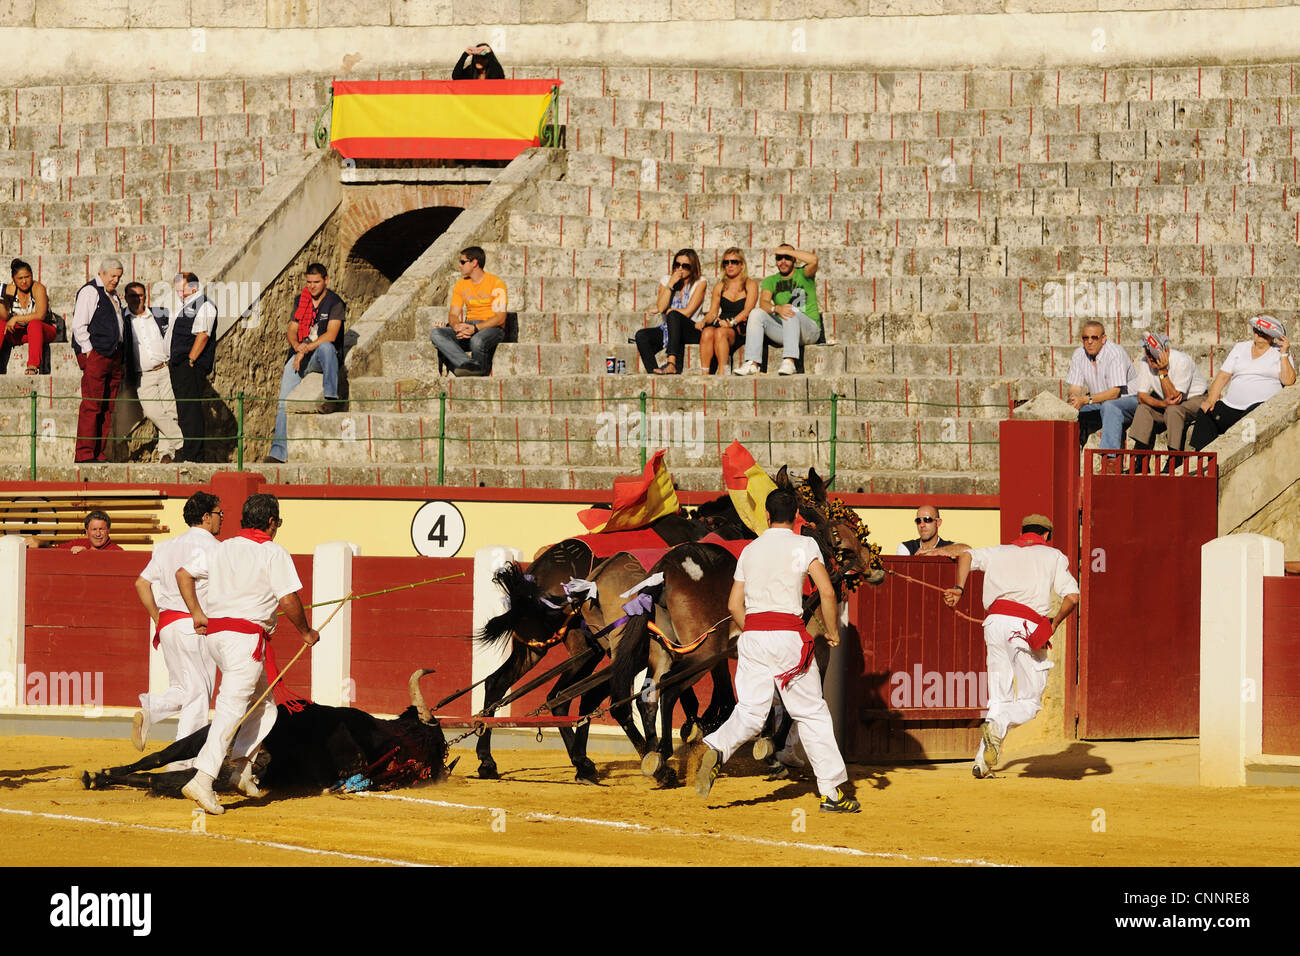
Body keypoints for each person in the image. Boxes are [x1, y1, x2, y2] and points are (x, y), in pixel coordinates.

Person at [694, 487, 860, 813]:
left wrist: (754, 630)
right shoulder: (804, 544)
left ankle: (716, 746)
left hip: (753, 636)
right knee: (811, 713)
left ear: (767, 517)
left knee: (751, 711)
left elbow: (733, 604)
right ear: (795, 516)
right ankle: (832, 792)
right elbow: (826, 592)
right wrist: (830, 631)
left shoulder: (751, 550)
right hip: (788, 637)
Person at [177, 493, 319, 814]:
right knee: (230, 708)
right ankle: (204, 777)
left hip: (218, 637)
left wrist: (197, 613)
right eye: (278, 523)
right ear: (271, 522)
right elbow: (288, 600)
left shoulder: (220, 548)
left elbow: (183, 575)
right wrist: (305, 632)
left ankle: (241, 766)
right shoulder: (272, 552)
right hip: (245, 642)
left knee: (264, 704)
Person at [943, 514, 1080, 779]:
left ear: (1022, 531)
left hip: (994, 623)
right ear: (1046, 535)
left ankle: (982, 763)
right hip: (1026, 627)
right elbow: (1072, 597)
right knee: (1030, 701)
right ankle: (999, 724)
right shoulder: (1053, 556)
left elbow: (966, 555)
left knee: (999, 696)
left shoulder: (999, 551)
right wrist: (1054, 625)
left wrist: (959, 588)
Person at [132, 492, 224, 751]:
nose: (221, 520)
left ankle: (151, 710)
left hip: (169, 625)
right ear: (206, 517)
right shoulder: (215, 548)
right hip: (195, 625)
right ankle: (183, 761)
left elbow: (141, 584)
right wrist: (196, 613)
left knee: (183, 688)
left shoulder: (167, 546)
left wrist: (158, 619)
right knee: (198, 696)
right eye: (219, 514)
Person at [265, 263, 346, 464]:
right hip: (301, 355)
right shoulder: (301, 301)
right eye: (309, 282)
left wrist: (306, 348)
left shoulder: (335, 302)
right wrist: (297, 346)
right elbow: (291, 330)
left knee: (326, 348)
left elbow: (331, 335)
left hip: (320, 355)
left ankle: (331, 395)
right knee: (284, 400)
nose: (312, 286)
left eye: (316, 282)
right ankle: (278, 452)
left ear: (326, 280)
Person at [1188, 315, 1294, 450]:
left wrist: (1284, 354)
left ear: (1272, 335)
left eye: (1263, 332)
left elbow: (1289, 381)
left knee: (1251, 415)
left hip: (1259, 409)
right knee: (1205, 413)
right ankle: (1204, 461)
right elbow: (1222, 377)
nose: (1259, 334)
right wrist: (1211, 400)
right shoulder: (1240, 347)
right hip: (1231, 406)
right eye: (1257, 330)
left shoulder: (1280, 352)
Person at [71, 258, 128, 463]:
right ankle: (85, 453)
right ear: (102, 273)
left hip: (113, 356)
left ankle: (98, 452)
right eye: (113, 276)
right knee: (92, 404)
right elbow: (79, 325)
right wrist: (89, 352)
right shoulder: (90, 291)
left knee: (107, 406)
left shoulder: (112, 296)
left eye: (119, 277)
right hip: (97, 355)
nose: (116, 280)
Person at [735, 244, 820, 377]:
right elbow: (763, 303)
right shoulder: (771, 280)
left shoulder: (804, 274)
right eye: (779, 258)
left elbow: (814, 260)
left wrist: (786, 250)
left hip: (809, 330)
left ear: (794, 259)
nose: (783, 261)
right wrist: (776, 308)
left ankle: (789, 361)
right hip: (787, 331)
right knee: (756, 313)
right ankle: (752, 363)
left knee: (790, 310)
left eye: (787, 257)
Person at [123, 282, 183, 464]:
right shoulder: (122, 319)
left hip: (165, 369)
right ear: (125, 298)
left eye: (140, 295)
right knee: (152, 412)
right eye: (132, 296)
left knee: (170, 411)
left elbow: (175, 334)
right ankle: (182, 440)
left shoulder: (161, 313)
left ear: (145, 296)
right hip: (143, 375)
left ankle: (166, 454)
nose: (136, 299)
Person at [1126, 331, 1208, 465]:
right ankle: (1140, 456)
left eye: (1154, 354)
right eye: (1148, 353)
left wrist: (1162, 371)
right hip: (1168, 402)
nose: (1151, 358)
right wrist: (1162, 404)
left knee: (1173, 410)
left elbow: (1175, 398)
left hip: (1195, 398)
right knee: (1143, 409)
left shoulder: (1182, 361)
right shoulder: (1145, 362)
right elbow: (1141, 397)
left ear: (1167, 350)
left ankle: (1174, 456)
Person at [1065, 320, 1137, 470]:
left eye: (1094, 338)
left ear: (1103, 339)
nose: (1089, 342)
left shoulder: (1115, 353)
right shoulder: (1079, 354)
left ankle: (1110, 461)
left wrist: (1085, 399)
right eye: (1086, 338)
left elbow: (1115, 393)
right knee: (1068, 411)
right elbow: (1075, 387)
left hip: (1129, 401)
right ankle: (1064, 457)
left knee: (1111, 406)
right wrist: (1074, 398)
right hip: (1098, 401)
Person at [430, 246, 508, 377]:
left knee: (477, 341)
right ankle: (468, 364)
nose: (459, 265)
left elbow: (500, 318)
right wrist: (457, 327)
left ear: (474, 263)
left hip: (491, 327)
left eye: (462, 262)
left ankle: (478, 370)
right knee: (437, 333)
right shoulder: (461, 285)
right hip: (469, 326)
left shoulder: (496, 283)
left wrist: (475, 328)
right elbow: (453, 314)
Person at [167, 273, 217, 463]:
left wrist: (190, 359)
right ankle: (189, 452)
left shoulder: (204, 305)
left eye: (182, 289)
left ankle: (194, 455)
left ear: (194, 288)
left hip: (190, 366)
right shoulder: (187, 307)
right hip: (181, 366)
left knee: (190, 410)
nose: (179, 293)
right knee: (184, 410)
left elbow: (203, 334)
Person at [633, 249, 708, 375]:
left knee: (673, 315)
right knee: (641, 335)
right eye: (677, 265)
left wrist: (667, 310)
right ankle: (653, 372)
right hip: (668, 329)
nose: (680, 269)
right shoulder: (666, 280)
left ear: (693, 267)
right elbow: (662, 307)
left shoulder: (700, 282)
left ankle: (671, 363)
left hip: (691, 328)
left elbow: (688, 312)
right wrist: (671, 284)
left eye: (685, 266)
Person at [694, 247, 756, 376]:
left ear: (742, 265)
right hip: (722, 323)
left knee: (720, 332)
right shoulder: (720, 286)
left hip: (739, 326)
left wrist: (731, 323)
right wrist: (704, 321)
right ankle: (704, 373)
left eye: (734, 262)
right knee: (706, 332)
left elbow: (748, 310)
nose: (729, 265)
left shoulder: (750, 284)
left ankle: (723, 370)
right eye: (726, 262)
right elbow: (712, 313)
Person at [1, 259, 57, 375]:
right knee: (0, 324)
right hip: (22, 333)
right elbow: (4, 316)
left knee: (34, 323)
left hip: (43, 331)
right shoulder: (10, 291)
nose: (24, 281)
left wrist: (15, 318)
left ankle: (32, 366)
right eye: (20, 278)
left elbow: (40, 315)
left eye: (27, 277)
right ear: (14, 280)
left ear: (32, 276)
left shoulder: (38, 288)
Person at [896, 504, 968, 556]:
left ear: (938, 523)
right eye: (918, 521)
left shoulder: (950, 546)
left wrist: (934, 552)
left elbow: (967, 550)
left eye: (927, 520)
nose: (922, 525)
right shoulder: (907, 547)